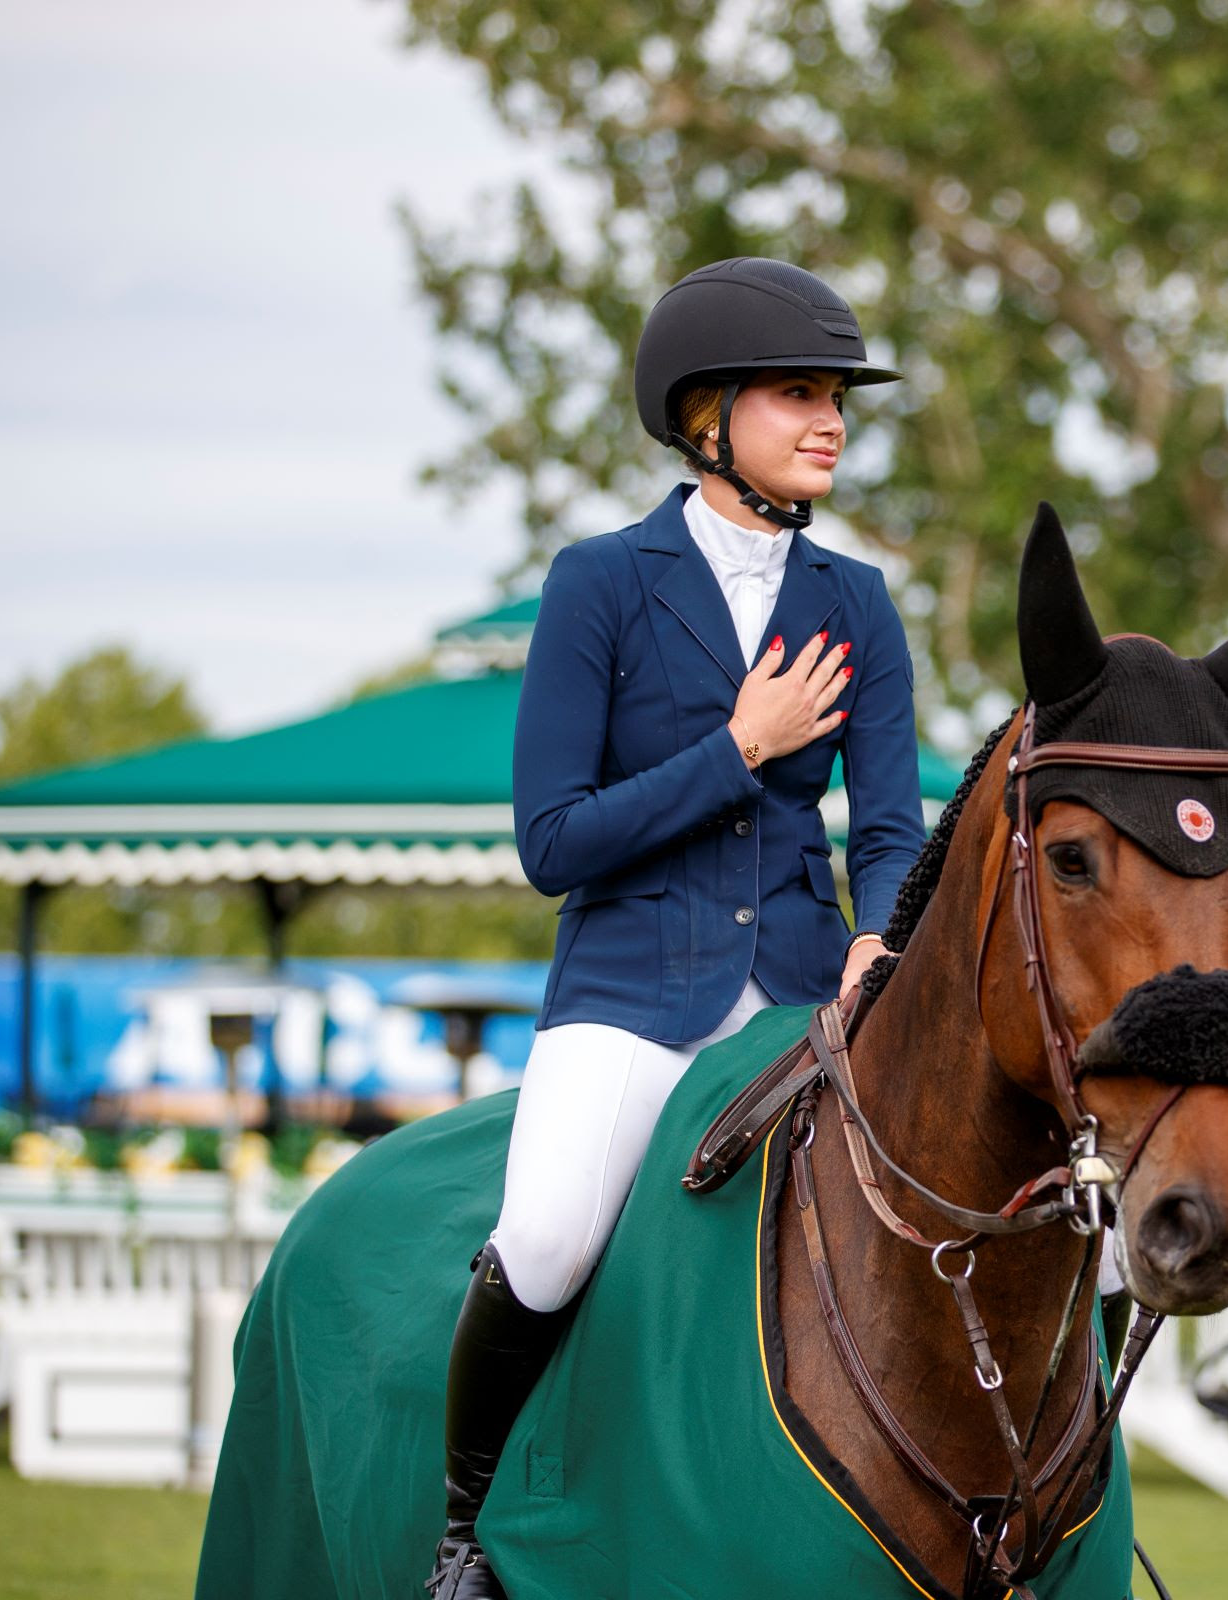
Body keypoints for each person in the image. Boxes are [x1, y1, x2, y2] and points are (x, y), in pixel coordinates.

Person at [425, 258, 927, 1600]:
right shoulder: (600, 584)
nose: (831, 422)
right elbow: (553, 842)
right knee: (544, 1237)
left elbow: (888, 825)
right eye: (799, 395)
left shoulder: (858, 604)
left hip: (801, 996)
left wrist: (881, 937)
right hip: (631, 990)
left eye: (837, 399)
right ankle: (467, 1529)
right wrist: (738, 749)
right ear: (706, 414)